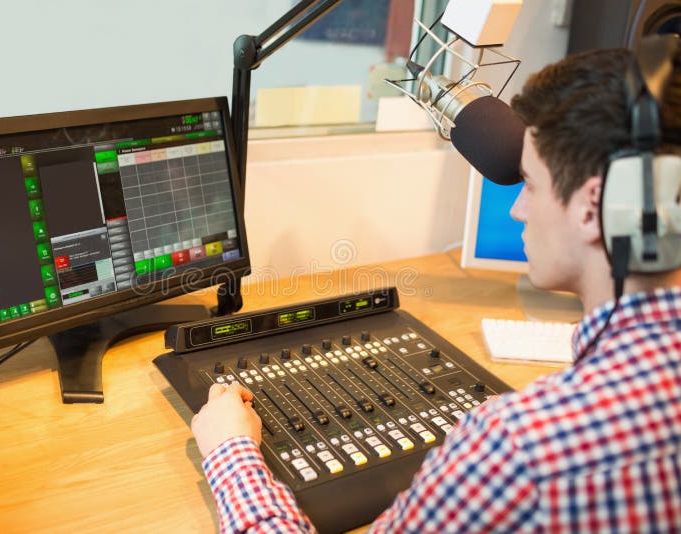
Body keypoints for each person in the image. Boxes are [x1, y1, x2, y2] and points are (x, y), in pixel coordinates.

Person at [191, 41, 681, 532]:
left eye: (530, 184)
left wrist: (230, 452)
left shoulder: (520, 450)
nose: (518, 210)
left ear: (596, 208)